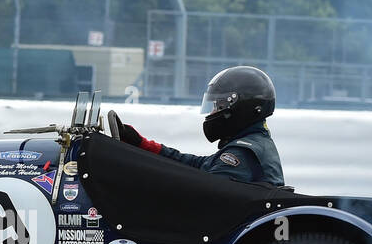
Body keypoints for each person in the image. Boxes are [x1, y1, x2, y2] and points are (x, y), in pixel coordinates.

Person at [117, 65, 284, 185]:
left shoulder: (242, 153)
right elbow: (198, 164)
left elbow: (204, 191)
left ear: (243, 107)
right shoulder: (253, 143)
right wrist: (144, 145)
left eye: (218, 106)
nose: (212, 113)